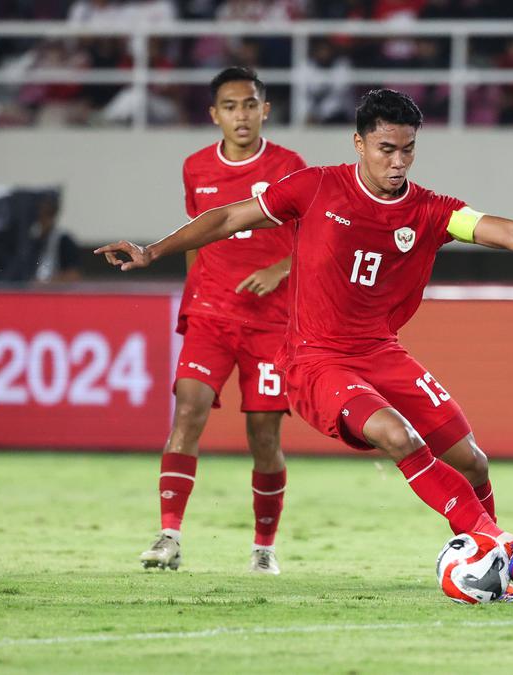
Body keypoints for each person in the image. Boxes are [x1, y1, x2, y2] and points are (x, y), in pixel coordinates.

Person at [97, 88, 513, 598]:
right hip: (315, 360)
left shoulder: (429, 209)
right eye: (386, 149)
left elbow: (504, 232)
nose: (398, 162)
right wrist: (153, 251)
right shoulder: (315, 188)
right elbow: (230, 216)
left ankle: (490, 554)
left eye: (408, 149)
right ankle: (495, 544)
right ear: (360, 145)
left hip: (381, 353)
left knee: (473, 462)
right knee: (396, 436)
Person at [137, 66, 306, 576]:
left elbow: (320, 239)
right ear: (214, 115)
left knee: (263, 435)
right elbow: (197, 235)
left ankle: (263, 547)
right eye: (230, 106)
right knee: (188, 411)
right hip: (211, 313)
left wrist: (280, 269)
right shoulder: (195, 168)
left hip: (272, 323)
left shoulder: (289, 166)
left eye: (250, 104)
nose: (241, 115)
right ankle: (169, 536)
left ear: (265, 110)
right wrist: (193, 298)